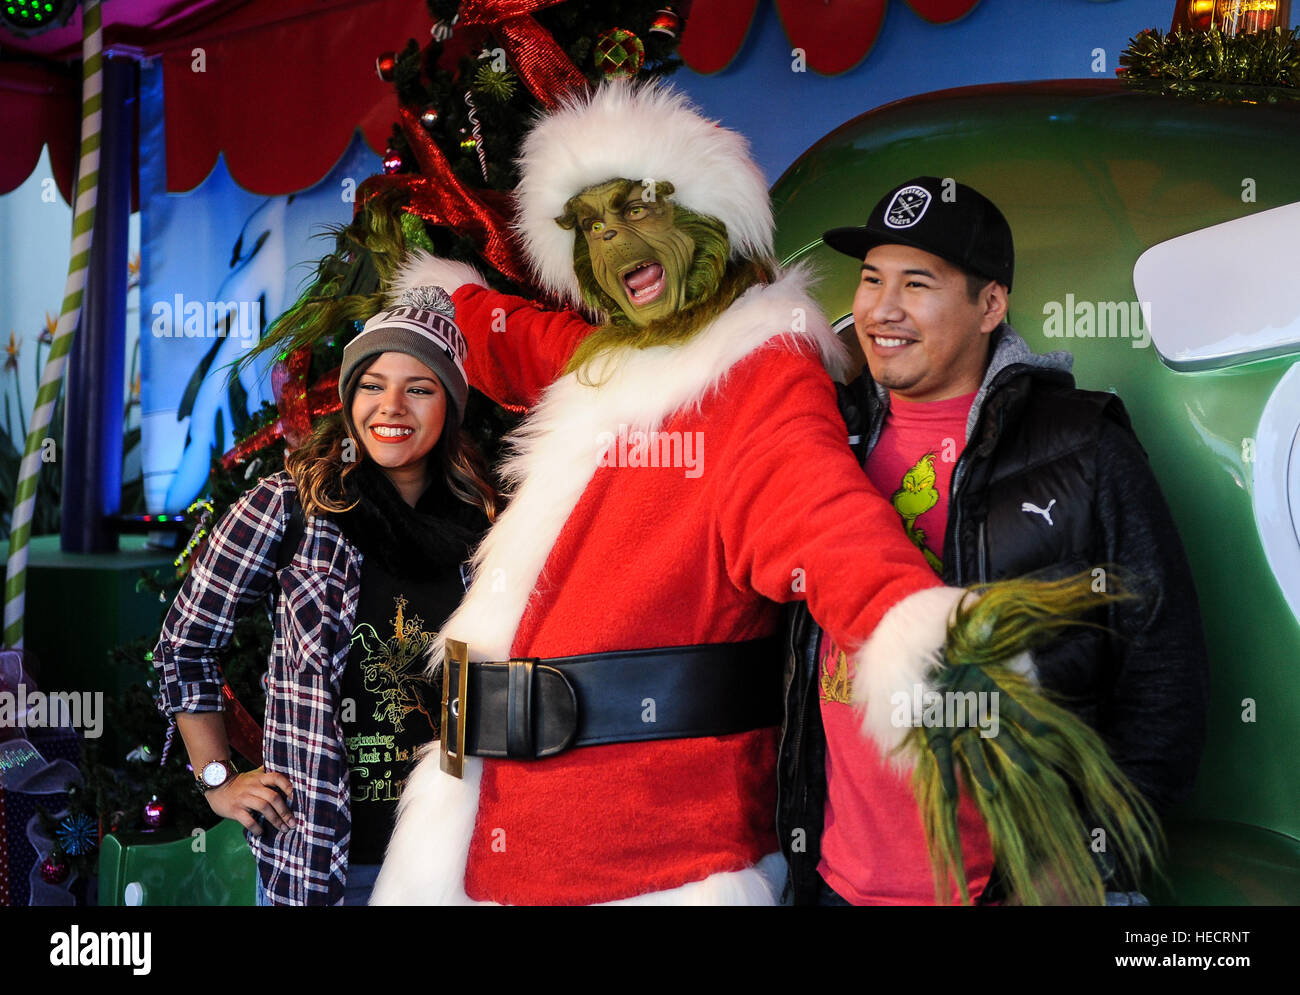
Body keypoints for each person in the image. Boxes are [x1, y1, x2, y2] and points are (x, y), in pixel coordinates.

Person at [367, 85, 1142, 907]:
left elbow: (823, 517)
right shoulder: (617, 357)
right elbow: (519, 339)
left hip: (643, 860)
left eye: (634, 208)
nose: (611, 240)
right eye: (590, 226)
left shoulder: (762, 373)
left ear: (710, 215)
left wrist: (909, 630)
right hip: (491, 828)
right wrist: (443, 294)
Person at [778, 176, 1210, 905]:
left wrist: (1084, 860)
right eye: (872, 279)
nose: (882, 309)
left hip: (1012, 887)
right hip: (833, 883)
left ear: (991, 305)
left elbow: (1166, 676)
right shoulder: (823, 439)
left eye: (917, 283)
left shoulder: (1085, 447)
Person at [152, 287, 495, 905]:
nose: (392, 406)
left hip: (455, 858)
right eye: (373, 384)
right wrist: (217, 779)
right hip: (321, 858)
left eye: (419, 387)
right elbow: (184, 647)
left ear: (450, 404)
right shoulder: (288, 507)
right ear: (349, 398)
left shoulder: (490, 524)